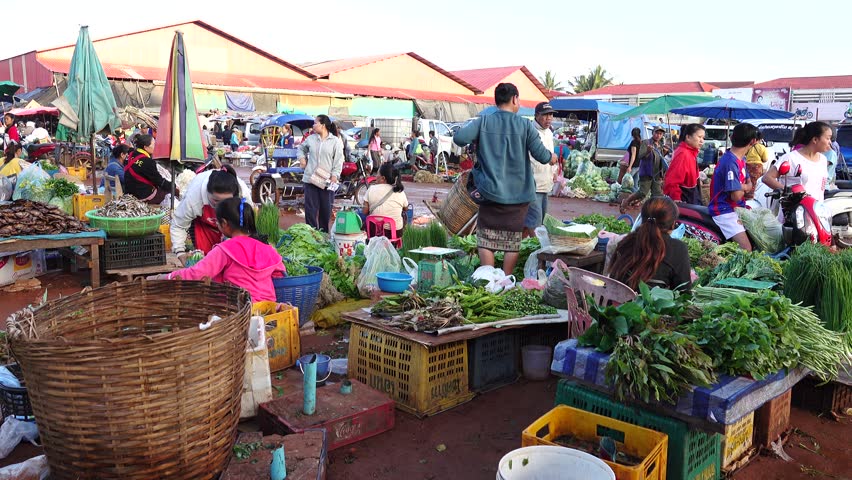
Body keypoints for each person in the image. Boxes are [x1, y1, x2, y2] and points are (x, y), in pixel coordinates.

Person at [453, 82, 556, 276]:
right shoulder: (525, 125)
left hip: (489, 192)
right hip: (519, 194)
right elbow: (542, 155)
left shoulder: (483, 122)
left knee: (486, 239)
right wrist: (552, 157)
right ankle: (506, 279)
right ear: (514, 99)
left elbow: (459, 138)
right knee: (512, 240)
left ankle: (489, 279)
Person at [150, 197, 285, 302]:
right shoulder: (268, 250)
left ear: (224, 223)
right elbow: (279, 275)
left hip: (238, 309)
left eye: (217, 222)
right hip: (268, 308)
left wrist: (164, 277)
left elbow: (197, 274)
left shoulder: (225, 250)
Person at [609, 196, 692, 291]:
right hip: (650, 300)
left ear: (642, 219)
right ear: (673, 224)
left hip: (616, 298)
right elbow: (684, 292)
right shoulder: (678, 249)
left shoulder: (626, 241)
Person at [171, 165, 252, 261]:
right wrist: (180, 252)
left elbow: (247, 227)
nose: (220, 205)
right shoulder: (194, 198)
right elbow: (179, 225)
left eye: (226, 201)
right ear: (207, 193)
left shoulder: (243, 195)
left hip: (229, 226)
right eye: (216, 200)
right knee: (207, 259)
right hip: (203, 226)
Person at [707, 123, 758, 251]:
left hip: (737, 208)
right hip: (725, 210)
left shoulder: (741, 159)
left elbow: (747, 185)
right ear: (753, 141)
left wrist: (740, 186)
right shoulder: (730, 162)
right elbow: (736, 195)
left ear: (731, 137)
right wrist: (745, 187)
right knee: (746, 249)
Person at [762, 121, 831, 205]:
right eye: (828, 138)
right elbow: (767, 178)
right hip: (795, 211)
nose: (830, 142)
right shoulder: (790, 158)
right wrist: (789, 193)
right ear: (815, 139)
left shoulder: (823, 160)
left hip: (816, 210)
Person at [298, 114, 344, 233]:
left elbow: (339, 160)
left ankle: (323, 236)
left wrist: (335, 175)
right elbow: (301, 148)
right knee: (310, 210)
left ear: (323, 125)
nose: (313, 125)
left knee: (325, 210)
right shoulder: (311, 139)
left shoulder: (335, 141)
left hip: (327, 181)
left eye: (315, 123)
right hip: (310, 179)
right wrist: (302, 159)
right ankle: (311, 234)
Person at [524, 101, 557, 233]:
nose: (549, 118)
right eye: (545, 115)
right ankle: (537, 245)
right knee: (535, 221)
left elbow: (551, 153)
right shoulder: (530, 131)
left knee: (539, 219)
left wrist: (554, 171)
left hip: (545, 183)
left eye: (551, 115)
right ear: (537, 115)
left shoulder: (549, 132)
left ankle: (518, 243)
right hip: (533, 184)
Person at [622, 126, 667, 211]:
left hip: (657, 174)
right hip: (647, 172)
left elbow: (660, 158)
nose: (658, 135)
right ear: (653, 133)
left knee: (657, 194)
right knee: (642, 193)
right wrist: (648, 151)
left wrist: (665, 152)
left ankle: (652, 210)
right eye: (657, 133)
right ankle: (626, 201)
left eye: (660, 134)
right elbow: (640, 156)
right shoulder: (646, 143)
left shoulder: (660, 145)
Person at [124, 134, 176, 205]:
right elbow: (159, 181)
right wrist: (173, 186)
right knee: (168, 192)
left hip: (129, 192)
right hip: (141, 196)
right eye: (154, 144)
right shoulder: (148, 162)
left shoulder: (131, 154)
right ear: (145, 147)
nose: (156, 146)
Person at [363, 162, 409, 238]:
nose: (376, 176)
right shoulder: (399, 192)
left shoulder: (371, 189)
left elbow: (364, 211)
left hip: (374, 232)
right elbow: (406, 209)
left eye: (377, 173)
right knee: (403, 215)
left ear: (383, 178)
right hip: (394, 233)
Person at [662, 123, 705, 204]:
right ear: (688, 137)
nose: (702, 141)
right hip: (685, 199)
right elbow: (672, 180)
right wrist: (676, 197)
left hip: (692, 197)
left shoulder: (691, 153)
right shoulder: (683, 154)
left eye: (703, 138)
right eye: (699, 137)